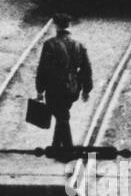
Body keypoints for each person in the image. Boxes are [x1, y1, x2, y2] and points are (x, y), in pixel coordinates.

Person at [35, 13, 93, 155]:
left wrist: (40, 89)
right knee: (62, 113)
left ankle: (68, 150)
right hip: (73, 88)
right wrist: (86, 89)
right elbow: (87, 68)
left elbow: (43, 68)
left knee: (62, 116)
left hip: (54, 88)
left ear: (56, 26)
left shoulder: (49, 44)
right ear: (69, 26)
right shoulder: (79, 45)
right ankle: (56, 146)